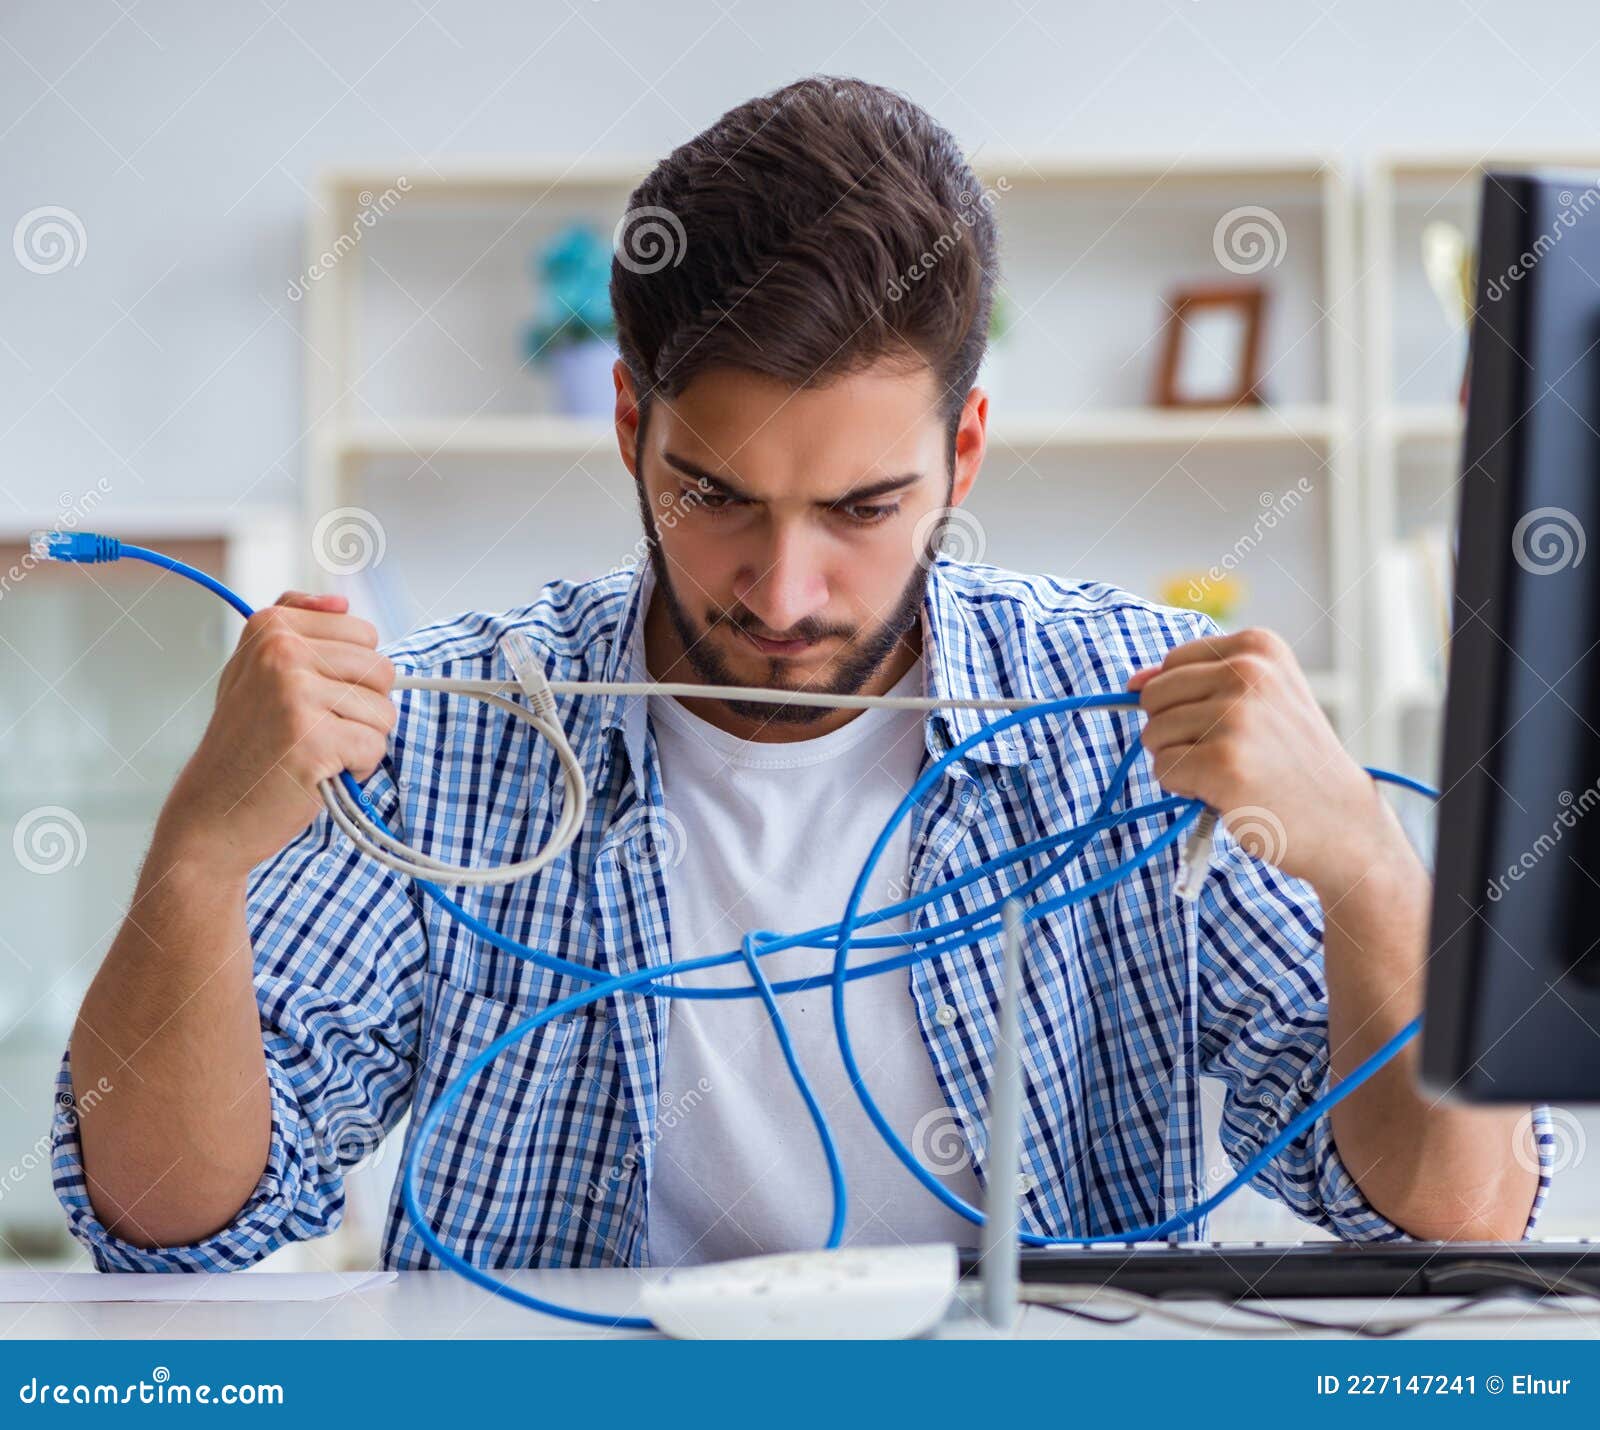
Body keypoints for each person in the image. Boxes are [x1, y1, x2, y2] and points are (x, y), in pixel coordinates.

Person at [54, 76, 1548, 1274]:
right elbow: (169, 1222)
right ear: (629, 425)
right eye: (715, 496)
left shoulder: (1133, 711)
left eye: (860, 510)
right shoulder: (448, 731)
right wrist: (194, 860)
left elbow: (1452, 1218)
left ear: (961, 452)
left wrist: (1364, 863)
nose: (783, 592)